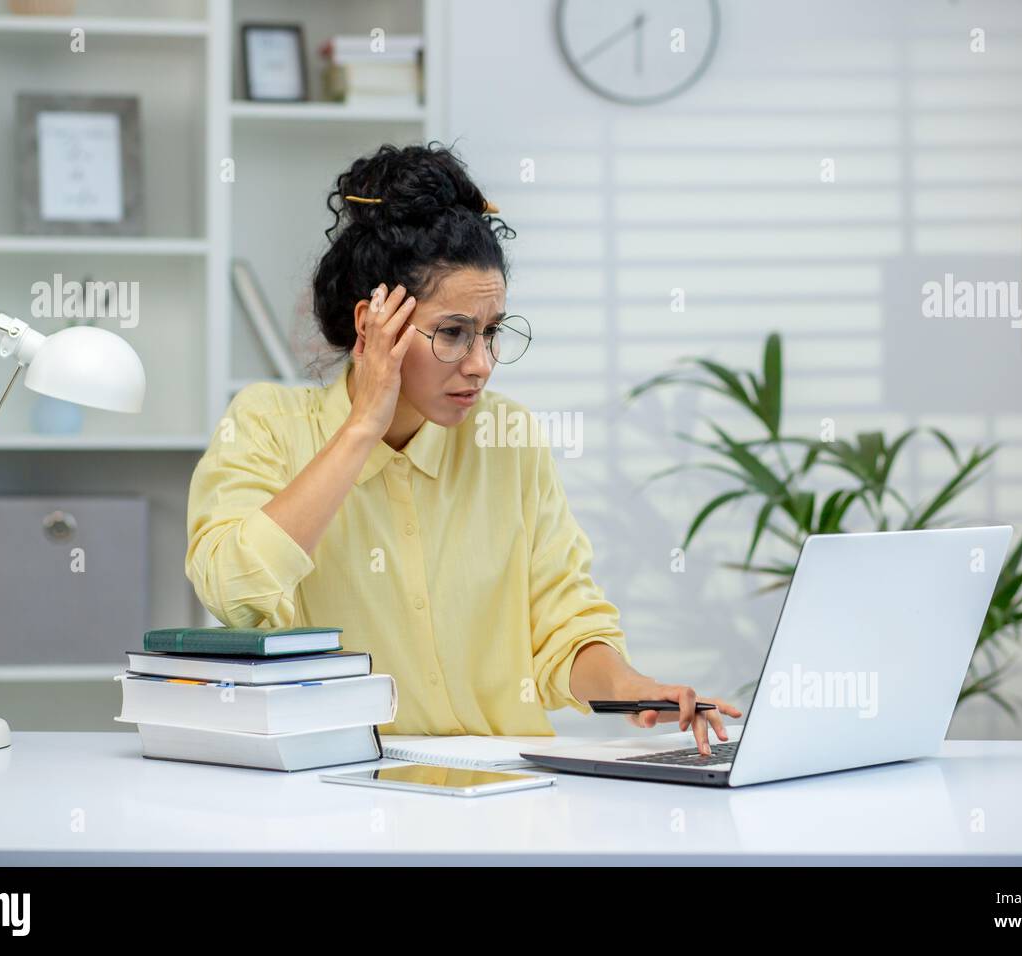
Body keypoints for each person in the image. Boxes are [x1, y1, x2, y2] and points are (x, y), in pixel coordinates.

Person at [185, 141, 741, 753]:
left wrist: (632, 688)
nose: (480, 365)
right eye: (453, 333)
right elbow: (234, 594)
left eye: (492, 333)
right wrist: (362, 427)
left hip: (507, 793)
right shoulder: (266, 423)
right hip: (344, 789)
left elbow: (563, 621)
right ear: (377, 325)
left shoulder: (510, 437)